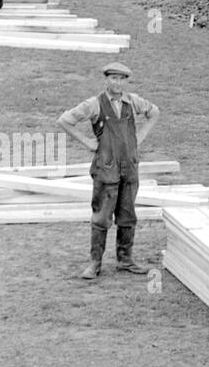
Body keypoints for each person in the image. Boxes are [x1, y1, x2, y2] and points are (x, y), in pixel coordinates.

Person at [57, 61, 160, 279]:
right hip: (106, 168)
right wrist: (88, 142)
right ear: (106, 80)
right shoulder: (94, 104)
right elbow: (65, 120)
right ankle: (95, 263)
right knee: (102, 217)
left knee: (127, 215)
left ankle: (125, 260)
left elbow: (155, 112)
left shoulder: (133, 102)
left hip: (129, 167)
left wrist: (139, 138)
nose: (118, 83)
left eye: (122, 79)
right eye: (114, 78)